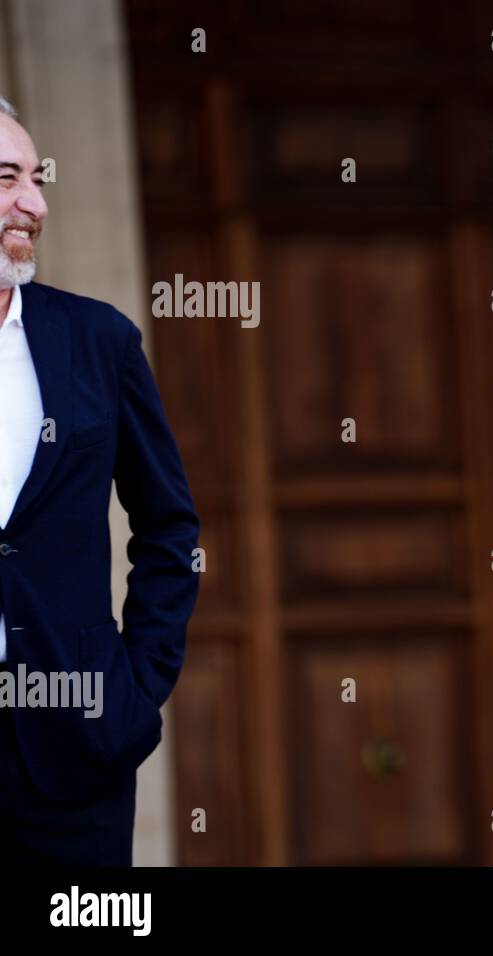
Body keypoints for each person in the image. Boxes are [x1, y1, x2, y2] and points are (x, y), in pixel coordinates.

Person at [0, 96, 200, 865]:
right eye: (8, 177)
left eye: (37, 178)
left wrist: (136, 690)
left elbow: (168, 527)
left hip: (74, 753)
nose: (35, 202)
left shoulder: (99, 341)